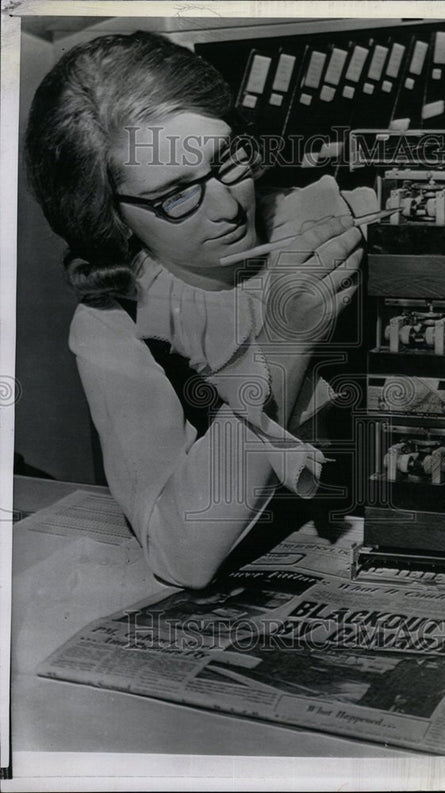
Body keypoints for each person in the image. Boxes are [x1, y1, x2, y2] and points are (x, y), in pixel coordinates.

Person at [25, 31, 365, 589]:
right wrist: (284, 344)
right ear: (109, 218)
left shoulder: (332, 219)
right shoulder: (114, 325)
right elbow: (180, 554)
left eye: (226, 158)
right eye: (176, 194)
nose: (230, 206)